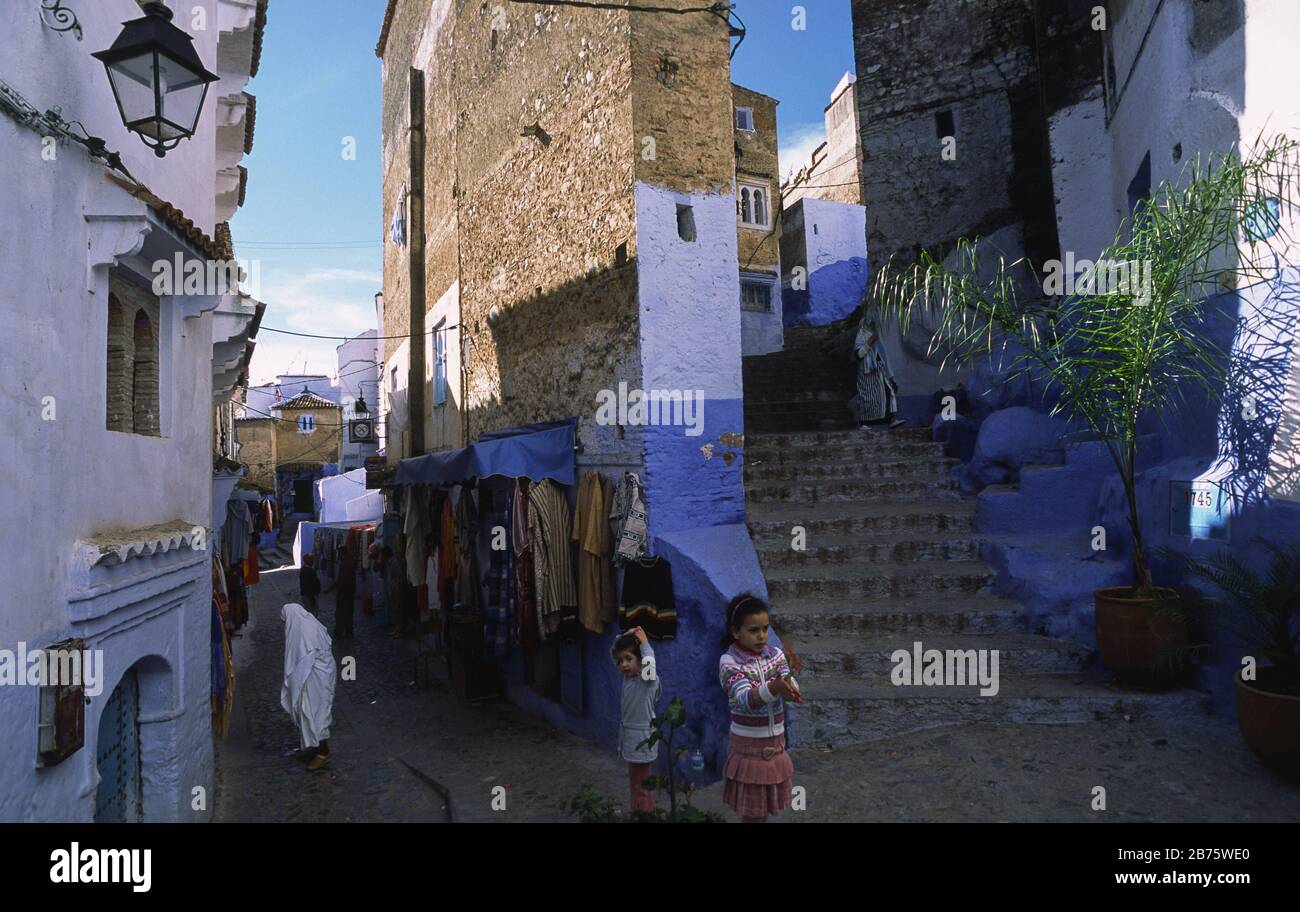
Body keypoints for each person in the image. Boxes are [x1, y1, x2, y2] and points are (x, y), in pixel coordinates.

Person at [718, 593, 801, 823]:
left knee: (763, 814)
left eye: (765, 628)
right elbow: (746, 699)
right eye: (753, 630)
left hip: (775, 747)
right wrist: (775, 687)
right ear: (736, 632)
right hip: (749, 751)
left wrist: (791, 687)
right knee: (752, 816)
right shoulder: (729, 663)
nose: (762, 636)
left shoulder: (775, 655)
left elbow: (789, 683)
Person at [279, 602, 336, 771]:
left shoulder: (301, 632)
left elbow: (298, 662)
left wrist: (293, 686)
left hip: (317, 677)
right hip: (316, 674)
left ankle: (323, 753)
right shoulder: (309, 622)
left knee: (314, 712)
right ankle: (313, 747)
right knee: (309, 712)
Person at [613, 626, 660, 815]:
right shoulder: (629, 678)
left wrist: (645, 643)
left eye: (629, 659)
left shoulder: (647, 681)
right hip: (632, 740)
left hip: (642, 740)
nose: (624, 664)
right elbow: (614, 653)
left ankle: (642, 815)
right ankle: (644, 813)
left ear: (641, 661)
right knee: (637, 785)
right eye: (621, 661)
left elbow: (649, 664)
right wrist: (624, 637)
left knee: (640, 787)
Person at [849, 301, 906, 429]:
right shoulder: (863, 334)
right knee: (869, 400)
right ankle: (865, 423)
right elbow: (859, 354)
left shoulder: (877, 338)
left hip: (880, 373)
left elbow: (883, 357)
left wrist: (891, 377)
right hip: (867, 374)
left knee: (889, 392)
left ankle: (891, 420)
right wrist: (870, 340)